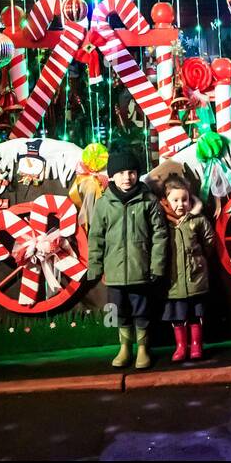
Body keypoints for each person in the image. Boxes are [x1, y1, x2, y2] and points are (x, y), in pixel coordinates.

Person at [86, 147, 168, 370]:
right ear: (112, 175)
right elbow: (96, 237)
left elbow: (160, 235)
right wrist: (95, 266)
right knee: (117, 309)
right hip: (113, 271)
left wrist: (157, 265)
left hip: (140, 269)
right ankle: (124, 346)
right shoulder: (104, 203)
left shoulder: (148, 201)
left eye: (131, 172)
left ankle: (143, 348)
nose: (127, 177)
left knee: (141, 308)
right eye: (121, 173)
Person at [159, 175, 216, 362]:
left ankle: (196, 345)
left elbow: (209, 240)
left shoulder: (197, 220)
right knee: (177, 316)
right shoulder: (164, 224)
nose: (180, 204)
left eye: (184, 199)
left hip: (195, 278)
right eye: (175, 200)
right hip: (173, 281)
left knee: (196, 315)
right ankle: (181, 346)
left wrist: (200, 260)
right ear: (166, 201)